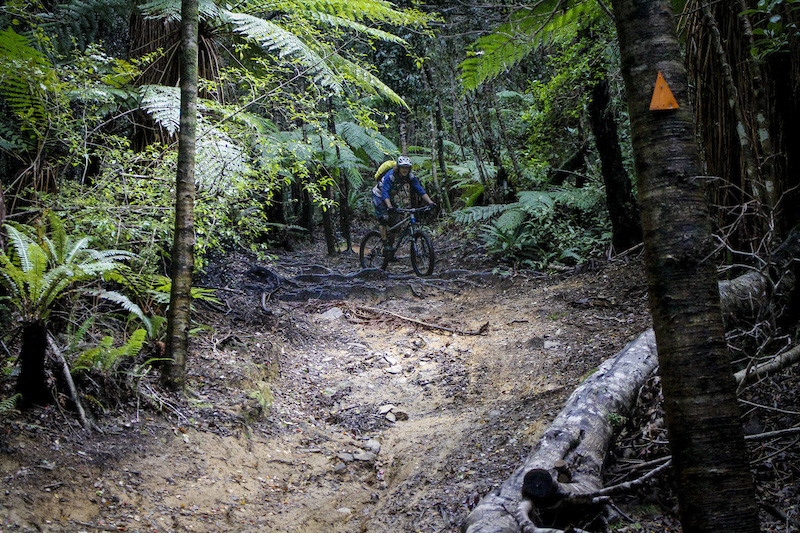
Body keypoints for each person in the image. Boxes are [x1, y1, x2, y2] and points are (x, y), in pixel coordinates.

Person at [372, 156, 435, 257]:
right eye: (402, 167)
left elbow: (420, 190)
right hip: (379, 195)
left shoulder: (410, 177)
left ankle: (390, 252)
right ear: (398, 167)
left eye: (407, 167)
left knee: (395, 224)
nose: (405, 170)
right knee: (384, 218)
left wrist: (430, 202)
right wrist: (389, 206)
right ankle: (384, 243)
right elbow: (385, 192)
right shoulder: (391, 176)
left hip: (389, 197)